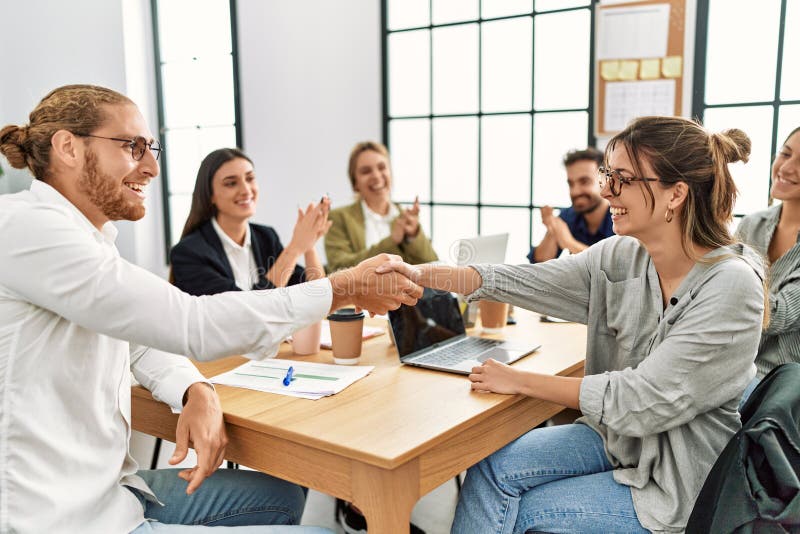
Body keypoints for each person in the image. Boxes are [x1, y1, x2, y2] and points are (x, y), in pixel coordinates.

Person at [0, 84, 422, 534]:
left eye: (152, 148)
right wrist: (342, 288)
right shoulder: (27, 228)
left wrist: (193, 389)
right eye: (133, 147)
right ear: (68, 147)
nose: (152, 166)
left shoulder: (88, 239)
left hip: (112, 492)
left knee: (281, 493)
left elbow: (136, 342)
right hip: (65, 519)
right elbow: (192, 323)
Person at [377, 116, 768, 533]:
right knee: (491, 466)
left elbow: (640, 402)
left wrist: (520, 380)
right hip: (619, 441)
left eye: (622, 179)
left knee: (526, 514)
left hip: (679, 487)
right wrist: (422, 274)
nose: (605, 191)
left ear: (675, 194)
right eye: (607, 175)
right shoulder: (624, 255)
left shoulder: (732, 286)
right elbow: (525, 279)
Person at [170, 148, 330, 295]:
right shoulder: (188, 253)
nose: (246, 190)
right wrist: (295, 248)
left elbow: (315, 294)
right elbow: (245, 312)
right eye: (231, 183)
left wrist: (308, 245)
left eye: (250, 178)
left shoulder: (266, 237)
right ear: (210, 195)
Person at [736, 125, 800, 405]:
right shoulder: (753, 224)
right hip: (734, 366)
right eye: (785, 153)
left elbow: (780, 315)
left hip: (783, 381)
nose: (786, 167)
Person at [325, 141, 438, 273]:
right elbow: (338, 267)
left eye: (382, 167)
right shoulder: (338, 218)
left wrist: (414, 235)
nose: (377, 176)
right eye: (366, 171)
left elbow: (434, 268)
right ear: (355, 183)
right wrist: (392, 241)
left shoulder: (405, 217)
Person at [527, 147, 614, 263]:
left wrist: (569, 242)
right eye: (571, 184)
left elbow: (615, 267)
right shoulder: (569, 215)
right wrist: (552, 227)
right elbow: (539, 262)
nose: (575, 191)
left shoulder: (621, 216)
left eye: (584, 182)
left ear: (605, 180)